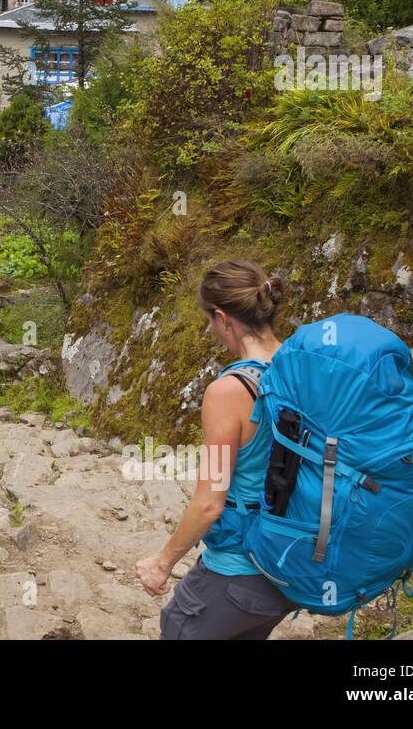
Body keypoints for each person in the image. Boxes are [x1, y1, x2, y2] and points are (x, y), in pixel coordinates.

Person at [135, 260, 296, 640]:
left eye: (210, 320)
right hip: (289, 561)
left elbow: (210, 502)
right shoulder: (303, 368)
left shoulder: (231, 391)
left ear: (224, 318)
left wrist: (162, 563)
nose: (211, 330)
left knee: (180, 628)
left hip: (240, 568)